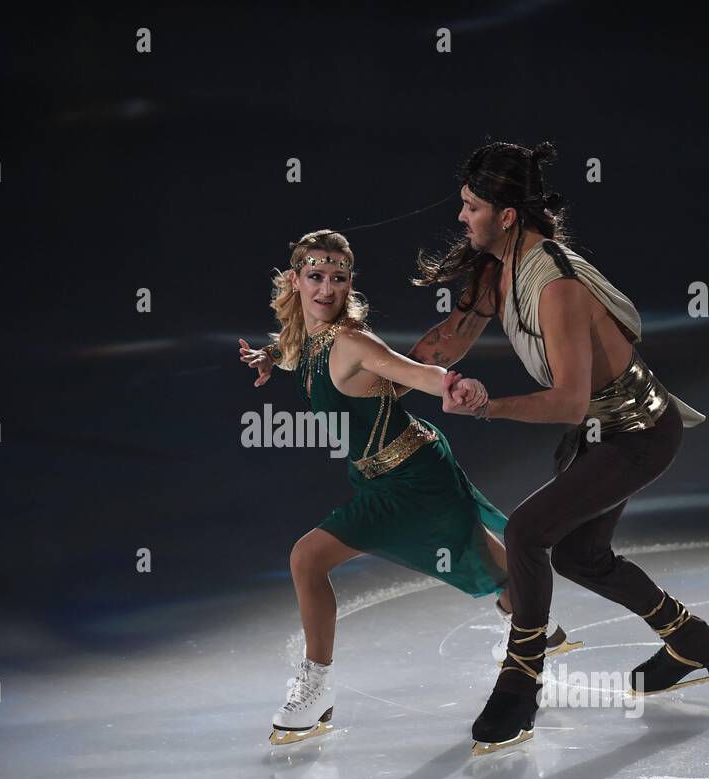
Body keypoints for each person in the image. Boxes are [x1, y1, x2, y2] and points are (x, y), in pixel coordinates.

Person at [411, 141, 709, 755]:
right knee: (580, 556)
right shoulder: (494, 267)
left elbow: (567, 400)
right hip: (596, 432)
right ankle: (692, 639)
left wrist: (486, 406)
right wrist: (355, 357)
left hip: (638, 432)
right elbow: (445, 346)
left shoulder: (556, 284)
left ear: (506, 216)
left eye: (471, 206)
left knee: (528, 533)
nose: (461, 217)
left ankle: (521, 681)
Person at [238, 229, 575, 747]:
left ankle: (319, 688)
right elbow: (292, 352)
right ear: (294, 281)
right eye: (316, 277)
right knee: (475, 563)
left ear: (350, 283)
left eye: (338, 278)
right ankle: (539, 627)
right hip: (383, 477)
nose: (327, 289)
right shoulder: (303, 338)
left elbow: (411, 372)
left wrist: (452, 385)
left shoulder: (351, 340)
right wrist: (269, 358)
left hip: (416, 480)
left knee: (321, 559)